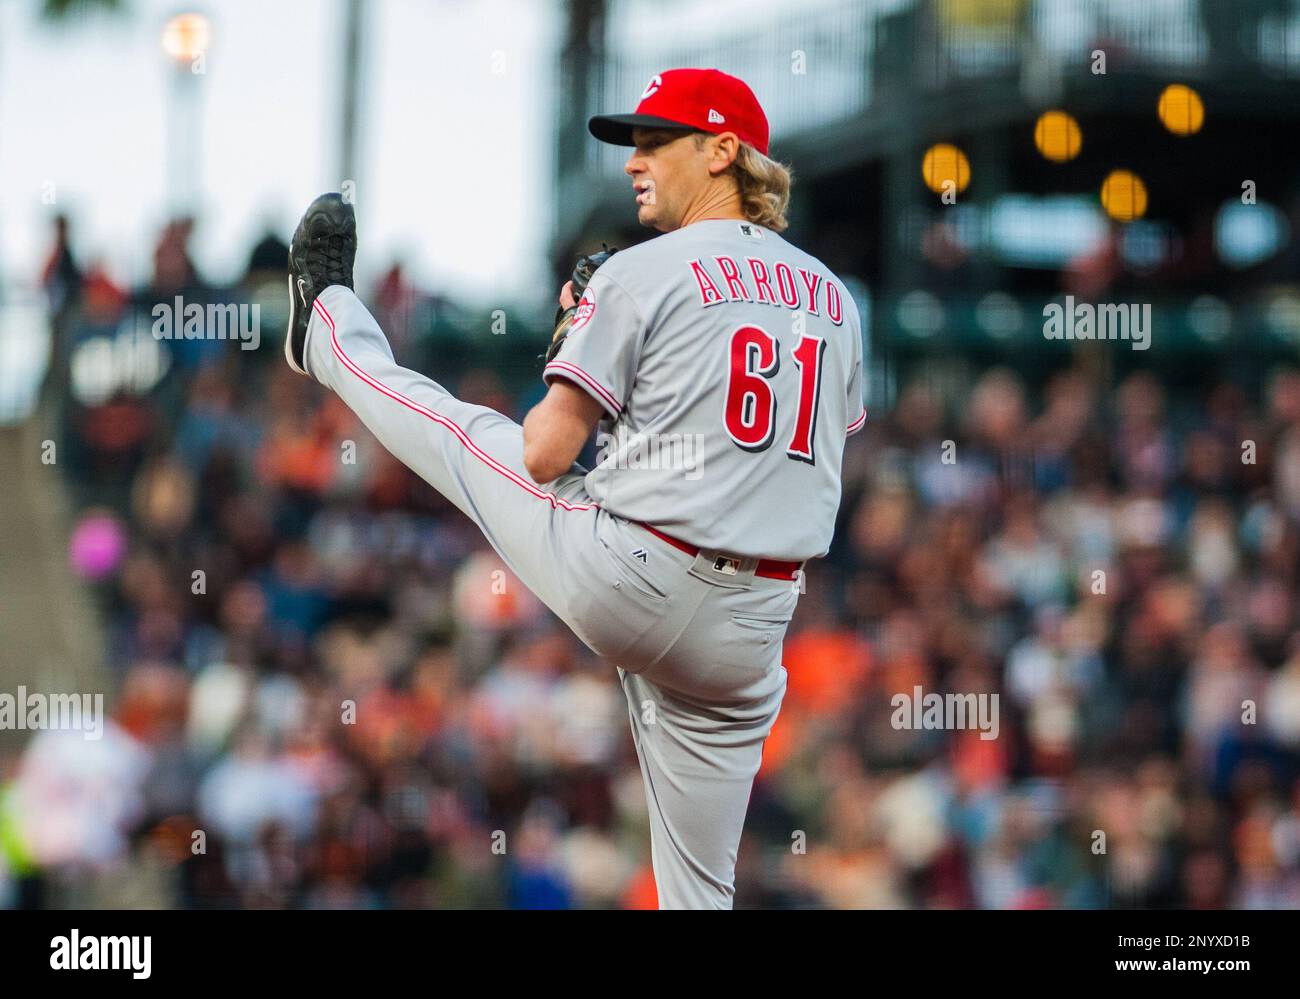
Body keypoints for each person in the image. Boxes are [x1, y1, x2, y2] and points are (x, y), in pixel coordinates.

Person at [281, 67, 866, 909]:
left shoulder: (643, 271)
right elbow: (801, 455)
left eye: (658, 141)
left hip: (631, 576)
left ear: (723, 151)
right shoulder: (837, 302)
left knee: (467, 438)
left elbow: (548, 452)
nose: (635, 160)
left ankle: (327, 325)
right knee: (702, 891)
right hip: (750, 636)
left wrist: (574, 340)